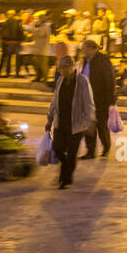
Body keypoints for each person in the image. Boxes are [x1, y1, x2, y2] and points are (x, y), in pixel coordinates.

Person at [46, 54, 96, 189]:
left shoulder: (82, 81)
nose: (59, 71)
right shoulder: (60, 80)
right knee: (57, 148)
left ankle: (66, 180)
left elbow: (89, 103)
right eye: (59, 69)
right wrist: (49, 119)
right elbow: (54, 102)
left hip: (76, 124)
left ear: (70, 67)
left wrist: (90, 121)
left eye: (61, 68)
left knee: (72, 153)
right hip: (60, 123)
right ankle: (66, 168)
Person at [80, 39, 116, 158]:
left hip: (100, 98)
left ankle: (106, 147)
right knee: (88, 125)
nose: (83, 51)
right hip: (87, 98)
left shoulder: (103, 60)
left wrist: (111, 99)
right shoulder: (86, 60)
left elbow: (110, 80)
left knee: (101, 124)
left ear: (91, 49)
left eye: (84, 49)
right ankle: (90, 151)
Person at [0, 9, 24, 77]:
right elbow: (20, 31)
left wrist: (4, 40)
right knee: (18, 58)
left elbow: (2, 32)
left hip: (8, 42)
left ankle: (8, 72)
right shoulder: (18, 22)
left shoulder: (5, 23)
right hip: (17, 42)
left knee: (8, 58)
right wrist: (21, 40)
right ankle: (17, 73)